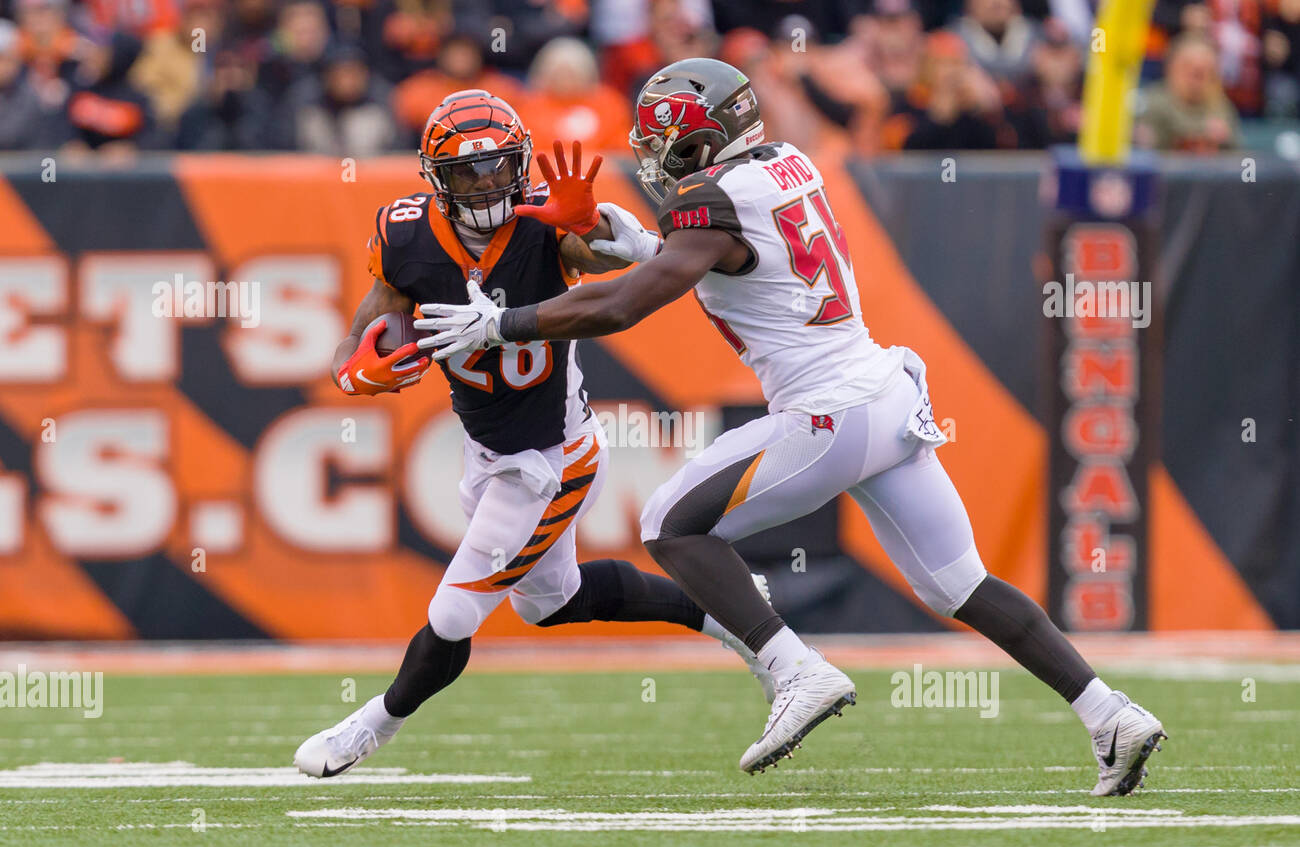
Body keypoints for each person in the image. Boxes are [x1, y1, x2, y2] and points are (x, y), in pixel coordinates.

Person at [416, 59, 1168, 794]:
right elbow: (715, 260)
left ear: (699, 140)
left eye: (660, 141)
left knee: (670, 523)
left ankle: (794, 669)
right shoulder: (786, 163)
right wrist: (613, 232)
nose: (652, 158)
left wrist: (502, 323)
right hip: (887, 398)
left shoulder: (711, 202)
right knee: (960, 585)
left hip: (827, 415)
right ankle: (1110, 714)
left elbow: (629, 302)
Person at [293, 90, 772, 778]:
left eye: (498, 168)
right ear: (437, 179)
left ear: (520, 167)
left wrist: (588, 221)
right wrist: (350, 370)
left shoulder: (544, 221)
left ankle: (372, 725)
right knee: (554, 601)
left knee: (455, 614)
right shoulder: (406, 234)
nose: (488, 185)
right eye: (469, 173)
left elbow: (608, 255)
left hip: (553, 457)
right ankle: (734, 609)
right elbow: (370, 321)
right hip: (487, 452)